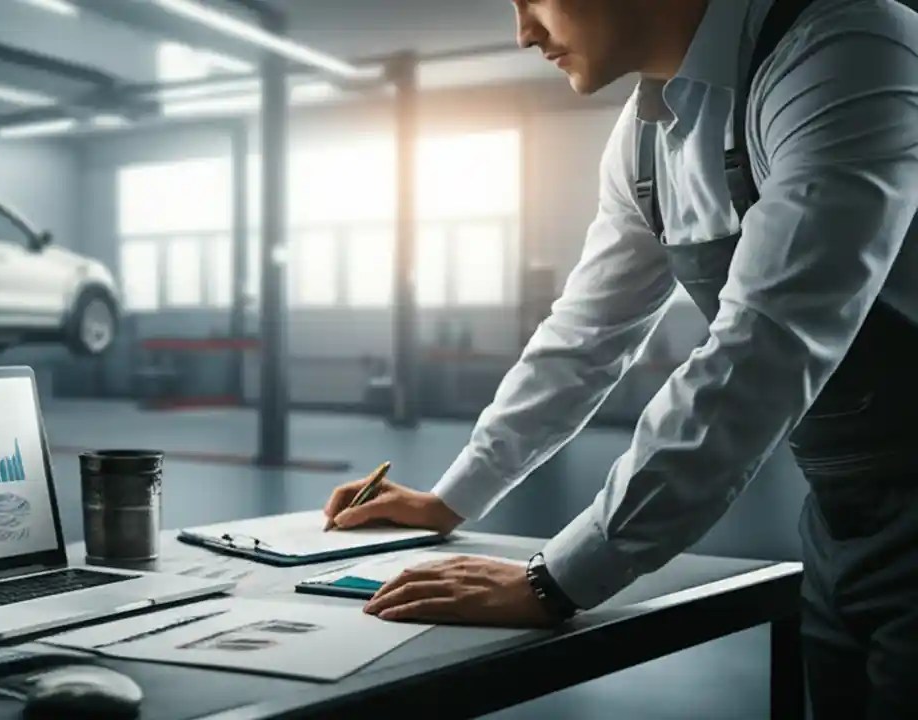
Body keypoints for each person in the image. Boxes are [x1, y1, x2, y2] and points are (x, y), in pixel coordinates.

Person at [321, 0, 918, 716]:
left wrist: (556, 580)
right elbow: (584, 335)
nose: (523, 31)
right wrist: (451, 499)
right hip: (841, 520)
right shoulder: (646, 138)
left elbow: (764, 346)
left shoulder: (847, 49)